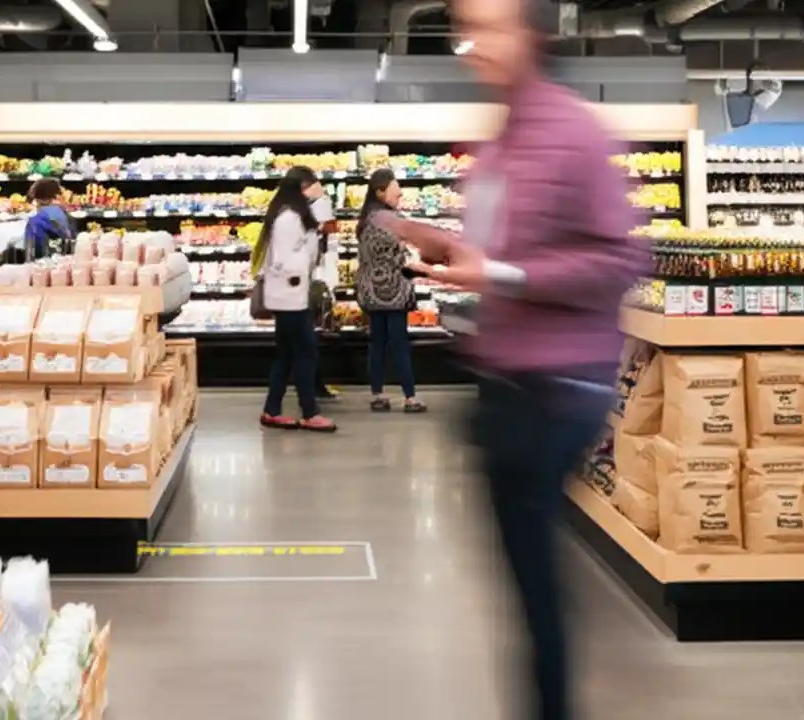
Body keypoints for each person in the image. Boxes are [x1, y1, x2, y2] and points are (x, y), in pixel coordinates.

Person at [374, 0, 646, 717]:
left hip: (556, 385)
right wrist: (449, 250)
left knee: (534, 579)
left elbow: (621, 258)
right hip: (504, 381)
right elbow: (494, 255)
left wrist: (501, 275)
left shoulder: (574, 133)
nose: (473, 46)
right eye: (467, 30)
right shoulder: (499, 142)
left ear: (532, 34)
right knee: (524, 575)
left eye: (489, 28)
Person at [252, 166, 338, 433]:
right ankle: (310, 412)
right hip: (290, 295)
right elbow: (284, 260)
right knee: (306, 352)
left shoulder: (291, 215)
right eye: (314, 184)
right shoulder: (289, 218)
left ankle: (272, 410)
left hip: (288, 294)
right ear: (303, 187)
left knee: (287, 355)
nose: (318, 189)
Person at [355, 169, 424, 413]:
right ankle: (409, 397)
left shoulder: (365, 220)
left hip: (372, 291)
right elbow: (399, 255)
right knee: (399, 343)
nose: (400, 196)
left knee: (377, 344)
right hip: (393, 291)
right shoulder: (390, 221)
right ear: (380, 192)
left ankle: (377, 395)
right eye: (396, 192)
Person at [23, 178, 72, 261]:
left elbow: (32, 252)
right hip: (63, 266)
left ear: (36, 199)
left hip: (42, 268)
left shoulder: (35, 221)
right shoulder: (64, 216)